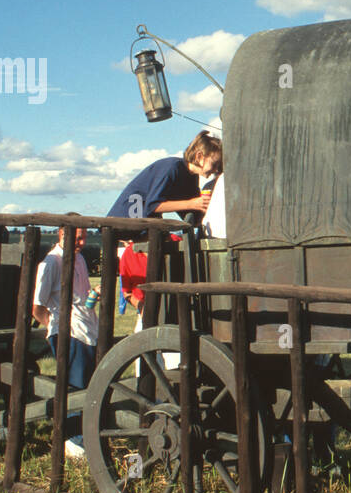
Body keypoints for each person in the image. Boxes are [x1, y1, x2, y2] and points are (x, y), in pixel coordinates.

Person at [33, 220, 98, 461]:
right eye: (77, 238)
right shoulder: (51, 262)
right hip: (68, 332)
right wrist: (56, 326)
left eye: (84, 238)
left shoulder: (79, 259)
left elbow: (81, 296)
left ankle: (82, 434)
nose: (82, 243)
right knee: (73, 385)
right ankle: (70, 440)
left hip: (87, 328)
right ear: (62, 234)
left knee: (86, 383)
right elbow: (37, 306)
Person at [107, 131, 222, 223]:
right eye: (214, 164)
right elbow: (152, 205)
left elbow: (191, 213)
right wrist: (193, 203)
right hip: (125, 220)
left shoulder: (191, 177)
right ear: (199, 157)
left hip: (145, 222)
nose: (216, 169)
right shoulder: (171, 168)